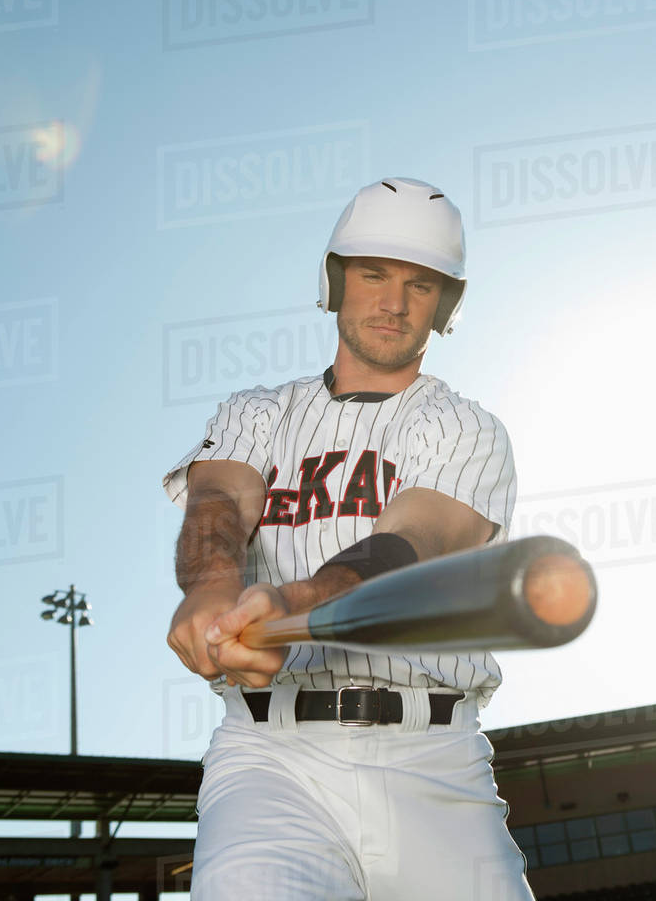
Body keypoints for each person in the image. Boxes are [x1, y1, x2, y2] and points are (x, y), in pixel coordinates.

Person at [164, 177, 535, 900]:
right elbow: (218, 499)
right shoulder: (258, 412)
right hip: (271, 760)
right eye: (372, 274)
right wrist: (212, 590)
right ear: (336, 283)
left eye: (420, 285)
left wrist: (293, 606)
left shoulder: (465, 429)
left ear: (443, 307)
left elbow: (411, 545)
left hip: (434, 760)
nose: (393, 302)